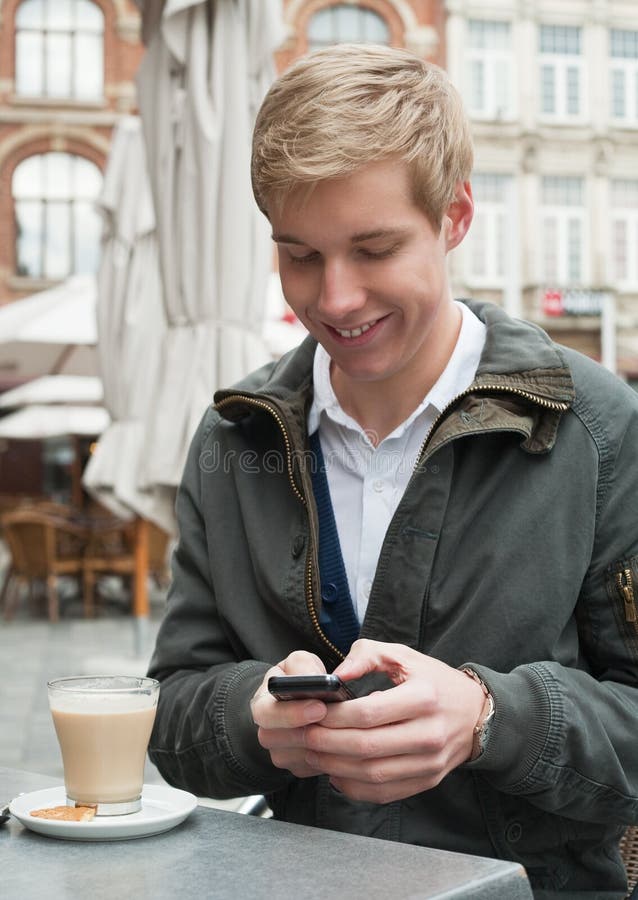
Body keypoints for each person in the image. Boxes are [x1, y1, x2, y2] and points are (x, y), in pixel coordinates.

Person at [147, 43, 638, 897]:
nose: (334, 298)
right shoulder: (234, 439)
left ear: (455, 216)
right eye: (299, 254)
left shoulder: (595, 430)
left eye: (374, 249)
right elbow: (172, 718)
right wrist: (254, 715)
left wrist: (492, 719)